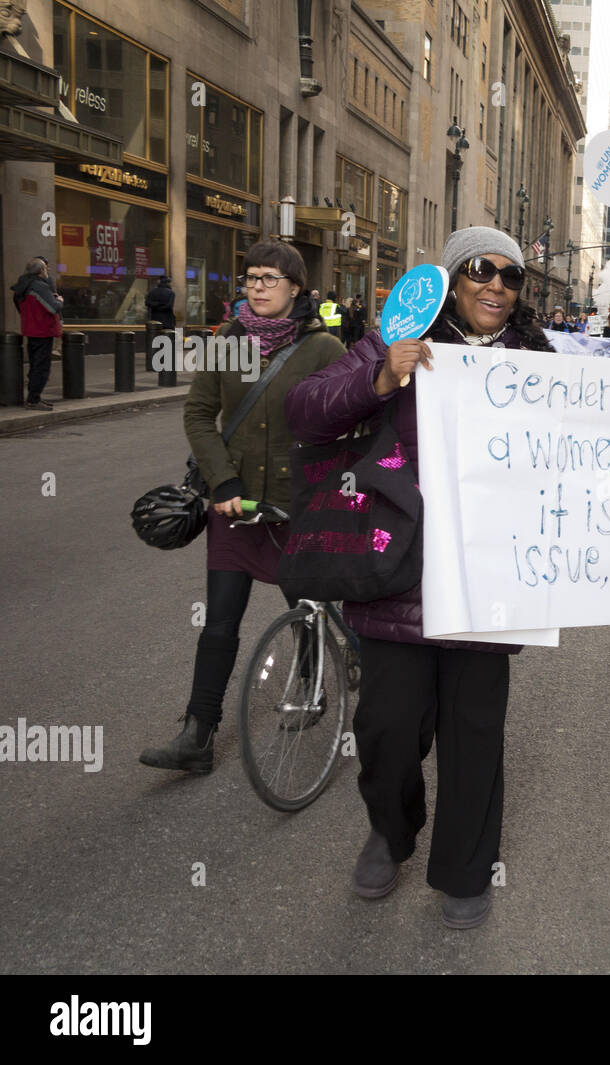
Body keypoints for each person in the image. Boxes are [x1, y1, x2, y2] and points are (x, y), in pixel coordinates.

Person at [285, 227, 553, 929]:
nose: (496, 284)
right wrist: (378, 377)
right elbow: (304, 411)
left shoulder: (539, 361)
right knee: (388, 728)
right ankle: (391, 828)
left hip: (488, 577)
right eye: (480, 269)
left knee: (475, 734)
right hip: (396, 568)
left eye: (511, 275)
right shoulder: (396, 339)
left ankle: (465, 869)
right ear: (451, 280)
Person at [139, 242, 345, 775]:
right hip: (233, 505)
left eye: (269, 278)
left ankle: (311, 687)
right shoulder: (226, 339)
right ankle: (197, 733)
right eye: (251, 276)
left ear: (295, 287)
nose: (256, 285)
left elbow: (345, 416)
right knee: (219, 623)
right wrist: (221, 480)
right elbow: (199, 414)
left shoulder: (321, 348)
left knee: (304, 610)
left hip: (295, 505)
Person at [9, 256, 62, 411]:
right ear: (41, 271)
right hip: (43, 331)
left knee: (34, 365)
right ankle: (33, 400)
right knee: (41, 367)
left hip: (30, 330)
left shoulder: (22, 285)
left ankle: (35, 397)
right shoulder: (39, 286)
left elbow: (20, 307)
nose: (47, 271)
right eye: (45, 268)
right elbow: (53, 308)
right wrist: (60, 301)